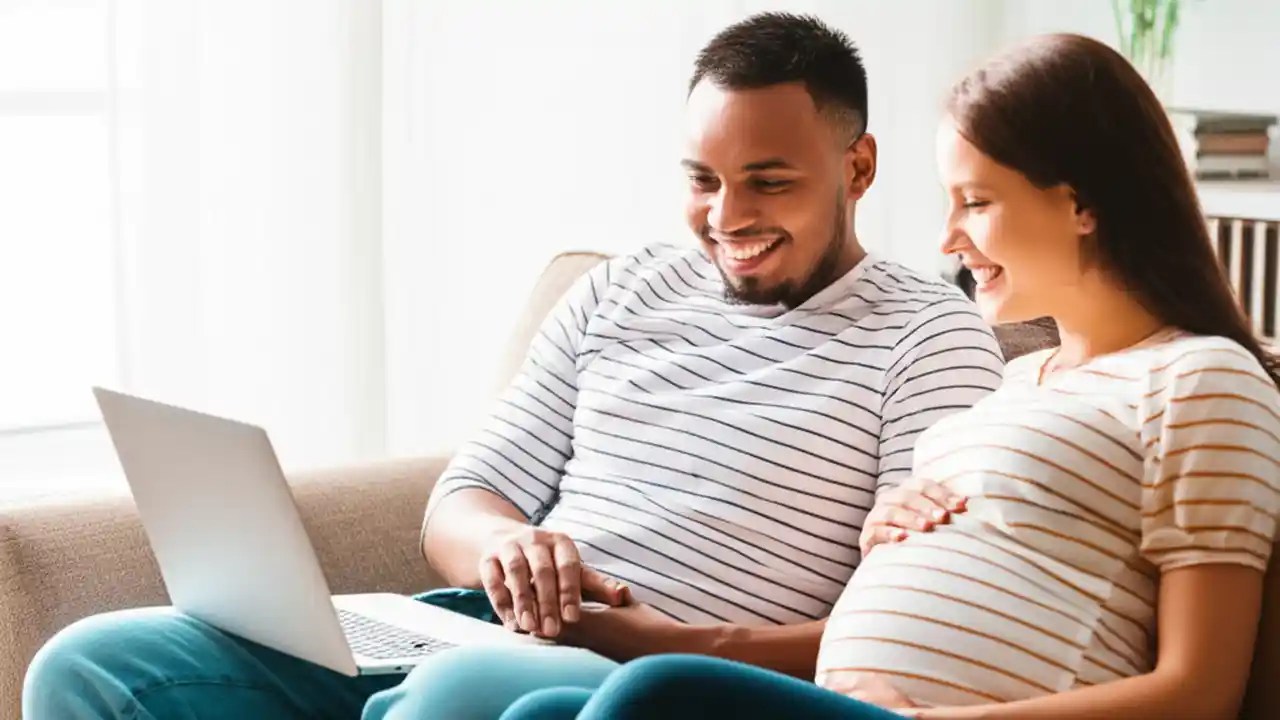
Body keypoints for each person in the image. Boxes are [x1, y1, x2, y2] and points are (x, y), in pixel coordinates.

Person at [21, 12, 1005, 720]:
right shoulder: (620, 290)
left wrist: (661, 642)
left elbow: (904, 618)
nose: (726, 217)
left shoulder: (926, 337)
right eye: (701, 180)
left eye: (767, 182)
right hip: (469, 625)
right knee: (92, 663)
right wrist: (502, 546)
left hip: (646, 680)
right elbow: (463, 497)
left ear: (858, 169)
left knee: (446, 701)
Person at [497, 31, 1280, 720]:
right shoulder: (1025, 378)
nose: (949, 237)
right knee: (542, 712)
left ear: (1081, 203)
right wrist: (892, 542)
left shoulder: (1201, 377)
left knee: (650, 696)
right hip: (835, 705)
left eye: (976, 201)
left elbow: (1199, 693)